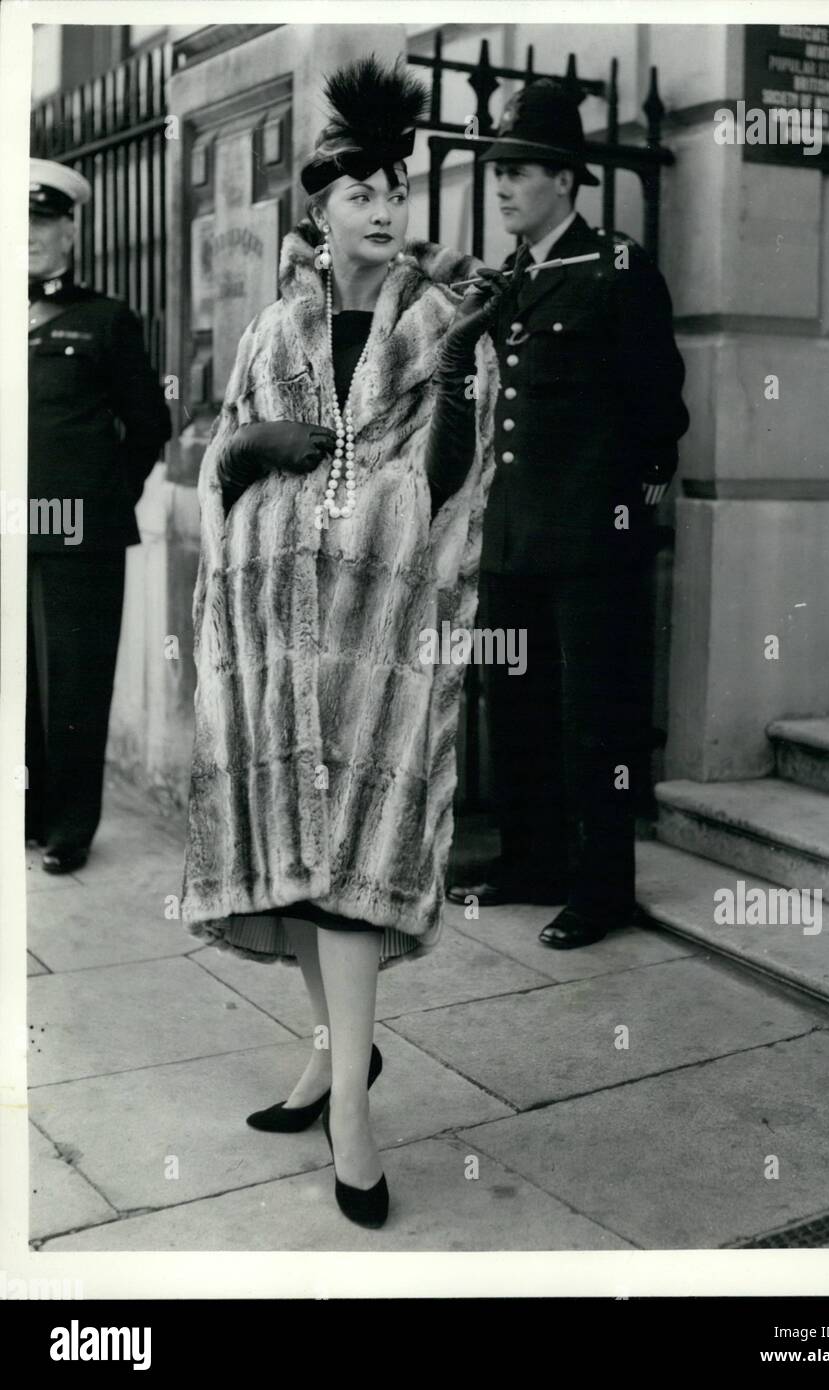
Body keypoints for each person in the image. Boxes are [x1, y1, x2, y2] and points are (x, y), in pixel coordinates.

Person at [180, 57, 518, 1230]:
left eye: (396, 188)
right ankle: (337, 1059)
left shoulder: (437, 321)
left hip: (380, 644)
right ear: (318, 210)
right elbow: (224, 466)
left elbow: (444, 488)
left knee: (357, 869)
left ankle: (356, 1119)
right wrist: (257, 442)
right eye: (361, 191)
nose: (384, 207)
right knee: (310, 861)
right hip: (283, 640)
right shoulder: (276, 327)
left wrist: (469, 380)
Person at [447, 80, 690, 950]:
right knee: (514, 708)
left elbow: (659, 412)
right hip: (513, 538)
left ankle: (603, 887)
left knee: (594, 718)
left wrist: (625, 516)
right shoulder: (512, 276)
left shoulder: (614, 269)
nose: (502, 186)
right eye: (498, 171)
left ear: (566, 180)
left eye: (518, 171)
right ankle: (531, 862)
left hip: (591, 541)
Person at [26, 158, 172, 875]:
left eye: (43, 222)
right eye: (18, 221)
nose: (28, 235)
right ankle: (24, 812)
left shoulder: (104, 319)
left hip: (76, 532)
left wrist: (102, 494)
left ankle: (68, 830)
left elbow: (149, 422)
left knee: (76, 680)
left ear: (71, 231)